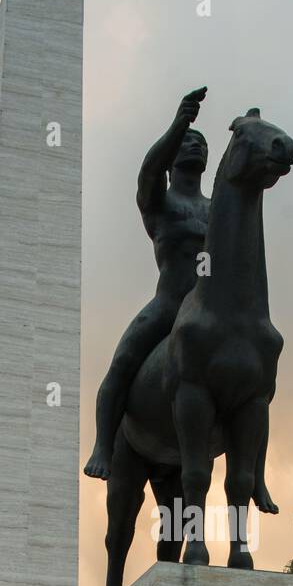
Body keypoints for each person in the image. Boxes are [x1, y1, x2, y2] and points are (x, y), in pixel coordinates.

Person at [84, 87, 211, 480]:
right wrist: (179, 124)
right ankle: (104, 445)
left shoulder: (215, 209)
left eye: (202, 143)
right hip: (169, 304)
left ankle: (253, 472)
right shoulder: (161, 203)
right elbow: (149, 173)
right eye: (189, 142)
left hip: (207, 306)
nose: (197, 145)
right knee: (122, 364)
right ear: (173, 155)